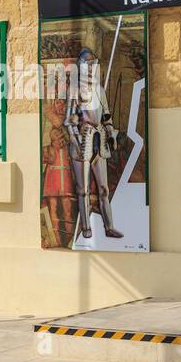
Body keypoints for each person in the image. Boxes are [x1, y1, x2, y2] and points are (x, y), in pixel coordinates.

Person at [66, 47, 123, 242]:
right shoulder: (75, 90)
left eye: (93, 64)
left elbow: (106, 115)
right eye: (88, 64)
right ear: (81, 67)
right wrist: (76, 139)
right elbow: (69, 120)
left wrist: (110, 132)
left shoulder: (99, 89)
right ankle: (86, 227)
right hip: (83, 139)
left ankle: (109, 226)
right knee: (83, 190)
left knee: (103, 188)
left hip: (99, 139)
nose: (91, 67)